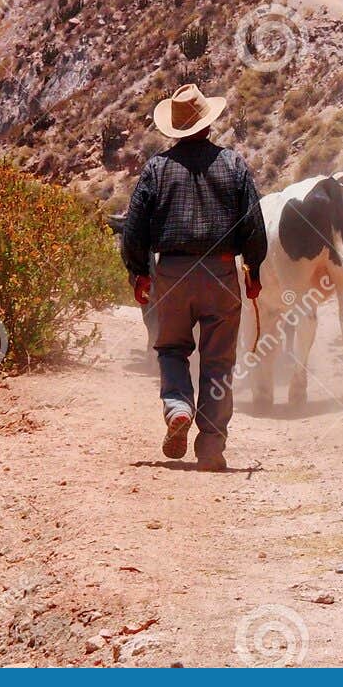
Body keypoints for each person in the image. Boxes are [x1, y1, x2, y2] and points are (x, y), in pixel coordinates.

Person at [121, 83, 267, 471]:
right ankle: (212, 446)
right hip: (221, 271)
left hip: (171, 271)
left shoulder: (156, 169)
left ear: (174, 127)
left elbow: (134, 229)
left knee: (171, 349)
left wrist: (139, 272)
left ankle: (177, 407)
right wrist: (253, 269)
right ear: (207, 123)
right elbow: (253, 224)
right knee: (219, 361)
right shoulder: (234, 165)